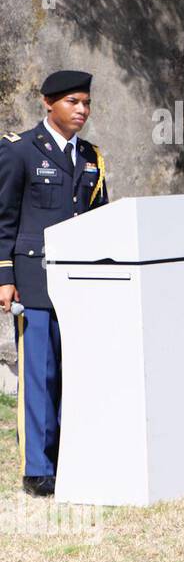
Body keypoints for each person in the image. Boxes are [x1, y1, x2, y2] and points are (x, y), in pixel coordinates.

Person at [0, 70, 109, 497]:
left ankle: (71, 455)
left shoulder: (92, 158)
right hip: (35, 281)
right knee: (40, 374)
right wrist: (5, 277)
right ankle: (38, 468)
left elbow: (98, 219)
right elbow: (4, 218)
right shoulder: (20, 150)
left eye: (85, 102)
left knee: (76, 373)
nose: (81, 110)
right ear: (48, 103)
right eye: (72, 102)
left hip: (80, 282)